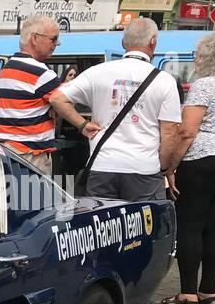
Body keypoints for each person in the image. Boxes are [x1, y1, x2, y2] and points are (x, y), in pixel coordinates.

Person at [51, 18, 182, 199]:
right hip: (144, 169)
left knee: (103, 223)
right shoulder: (165, 81)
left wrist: (81, 125)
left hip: (103, 166)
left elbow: (57, 99)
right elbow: (169, 134)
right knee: (145, 225)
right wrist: (163, 167)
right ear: (153, 41)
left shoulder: (98, 72)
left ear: (123, 42)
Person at [160, 31, 215, 304]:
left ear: (206, 58)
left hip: (201, 160)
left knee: (191, 224)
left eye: (197, 56)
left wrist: (170, 167)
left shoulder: (204, 86)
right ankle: (209, 289)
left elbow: (187, 132)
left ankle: (187, 293)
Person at [0, 15, 97, 176]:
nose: (57, 44)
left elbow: (49, 100)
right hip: (31, 155)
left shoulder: (7, 68)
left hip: (6, 150)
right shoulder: (41, 73)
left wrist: (50, 105)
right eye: (53, 39)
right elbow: (61, 100)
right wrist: (83, 126)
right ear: (35, 38)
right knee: (36, 199)